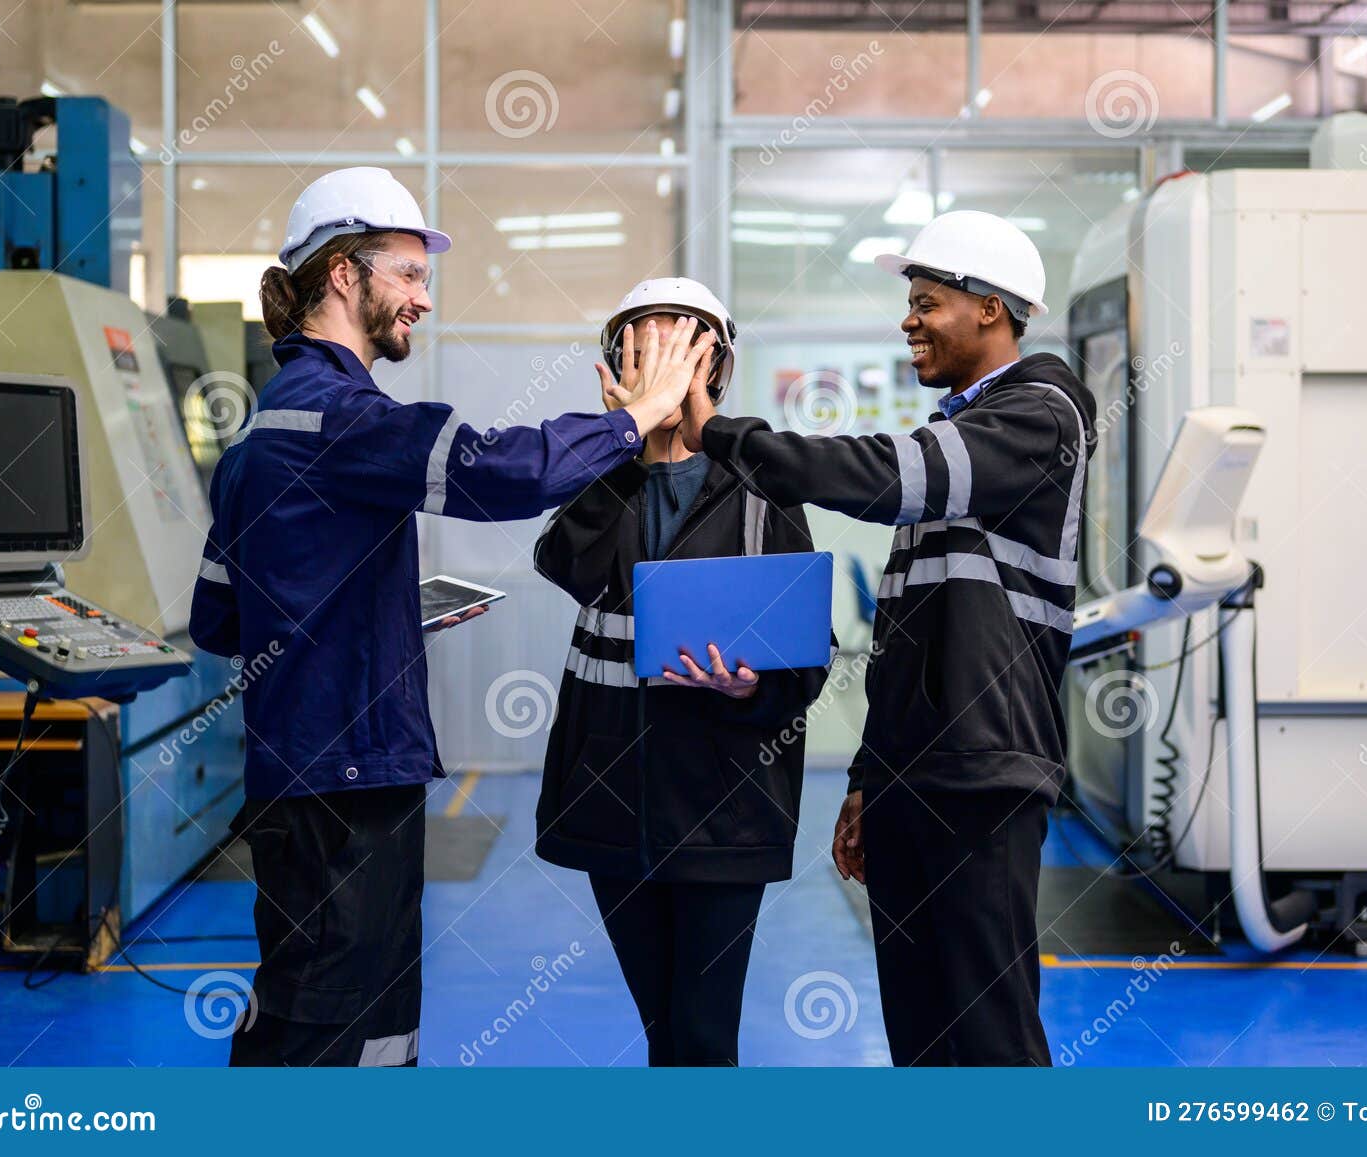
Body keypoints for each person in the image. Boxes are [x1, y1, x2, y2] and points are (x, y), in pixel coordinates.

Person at [188, 169, 714, 1067]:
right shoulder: (342, 416)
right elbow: (499, 471)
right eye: (408, 274)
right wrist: (634, 420)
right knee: (322, 1026)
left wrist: (366, 614)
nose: (424, 299)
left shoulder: (257, 437)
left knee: (363, 1021)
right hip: (346, 782)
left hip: (313, 778)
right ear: (344, 274)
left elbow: (218, 619)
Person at [681, 211, 1097, 1066]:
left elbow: (881, 475)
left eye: (927, 302)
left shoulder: (1040, 417)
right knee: (921, 1034)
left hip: (983, 773)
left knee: (990, 1038)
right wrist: (870, 778)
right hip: (915, 773)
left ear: (991, 308)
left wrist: (714, 430)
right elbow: (904, 642)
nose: (909, 320)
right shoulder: (963, 430)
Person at [532, 278, 830, 1066]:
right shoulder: (604, 477)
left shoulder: (763, 486)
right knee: (663, 1032)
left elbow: (808, 656)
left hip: (724, 809)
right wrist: (620, 449)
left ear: (715, 368)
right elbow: (563, 563)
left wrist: (752, 686)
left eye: (680, 351)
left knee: (701, 1037)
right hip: (613, 804)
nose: (661, 367)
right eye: (645, 349)